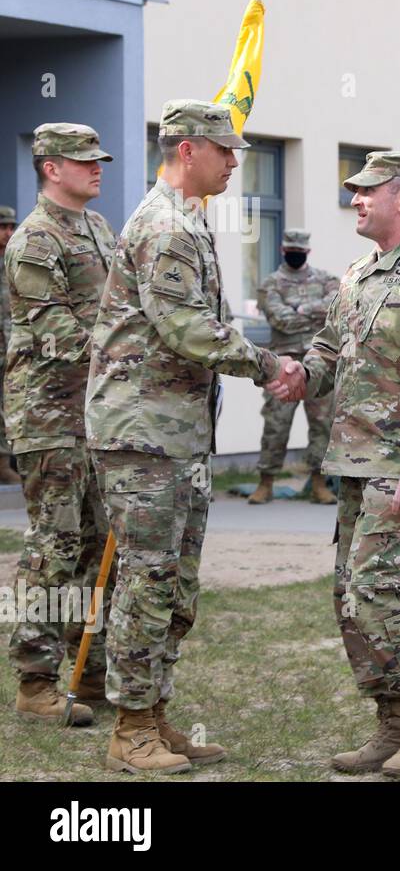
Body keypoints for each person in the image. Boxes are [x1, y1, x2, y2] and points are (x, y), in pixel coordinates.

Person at [86, 100, 291, 774]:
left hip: (174, 435)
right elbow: (187, 331)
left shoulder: (189, 224)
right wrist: (267, 364)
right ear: (187, 151)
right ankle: (130, 729)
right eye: (225, 150)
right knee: (147, 580)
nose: (235, 161)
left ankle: (155, 712)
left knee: (176, 582)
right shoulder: (165, 228)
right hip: (142, 434)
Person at [273, 150, 400, 777]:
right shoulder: (360, 274)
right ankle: (394, 720)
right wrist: (300, 375)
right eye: (354, 192)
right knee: (349, 597)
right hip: (356, 459)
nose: (356, 200)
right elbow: (330, 349)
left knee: (377, 588)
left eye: (368, 191)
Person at [6, 123, 116, 726]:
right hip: (49, 416)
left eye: (99, 159)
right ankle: (36, 681)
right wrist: (129, 356)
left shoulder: (97, 228)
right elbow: (55, 333)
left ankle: (89, 670)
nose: (97, 168)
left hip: (95, 415)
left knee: (100, 546)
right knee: (55, 546)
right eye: (84, 161)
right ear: (51, 167)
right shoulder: (35, 240)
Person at [250, 228, 339, 505]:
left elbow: (336, 305)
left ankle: (319, 482)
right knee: (276, 423)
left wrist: (300, 308)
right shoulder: (270, 284)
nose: (296, 255)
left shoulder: (326, 279)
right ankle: (266, 481)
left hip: (318, 363)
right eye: (292, 251)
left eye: (300, 252)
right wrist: (314, 312)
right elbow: (281, 319)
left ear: (307, 252)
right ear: (282, 250)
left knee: (323, 424)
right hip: (282, 364)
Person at [0, 204, 21, 485]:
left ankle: (6, 461)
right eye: (2, 227)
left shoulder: (14, 263)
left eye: (9, 227)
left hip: (12, 349)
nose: (7, 233)